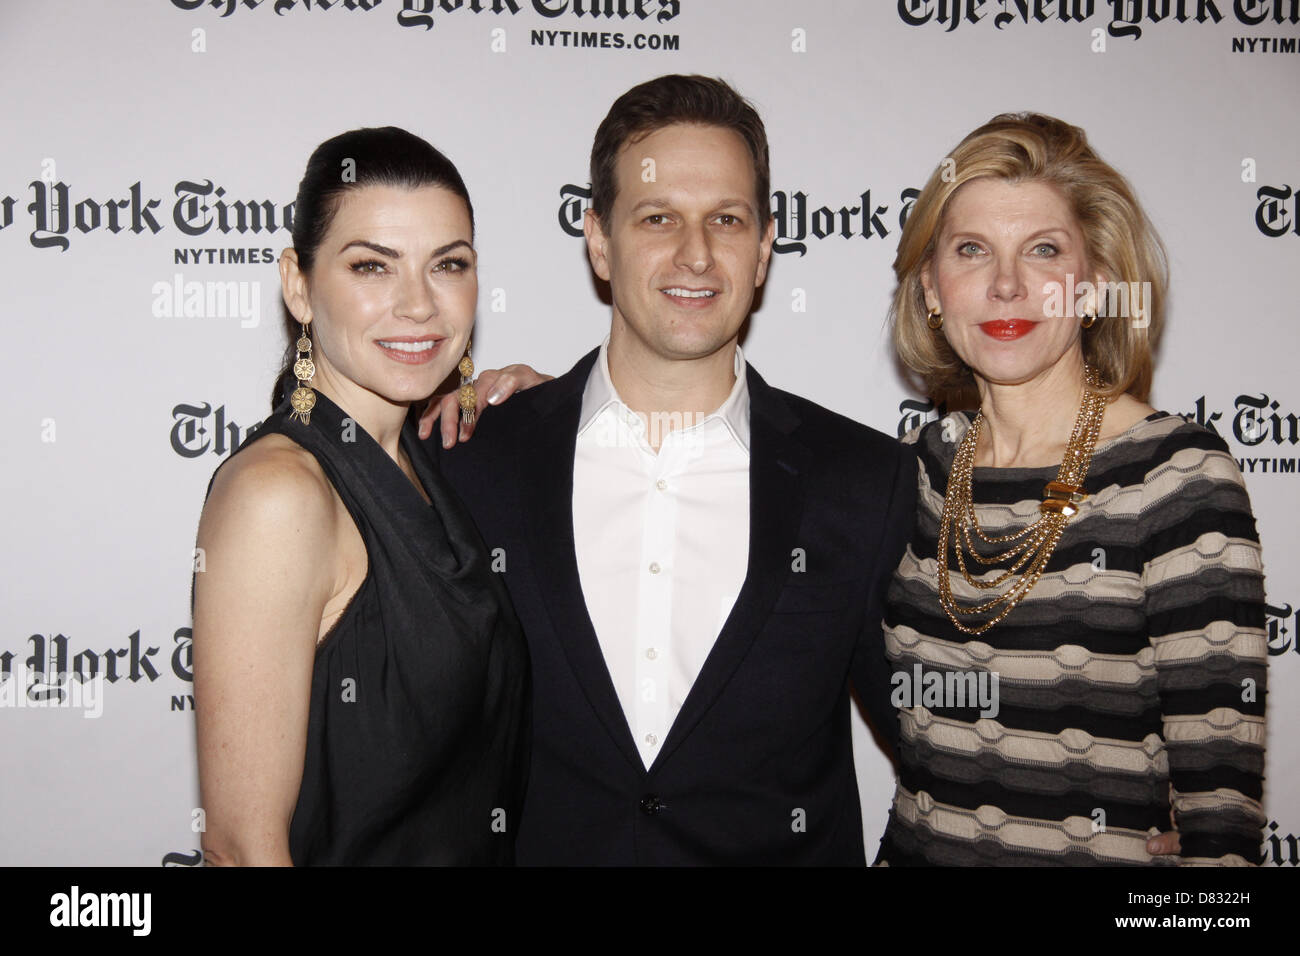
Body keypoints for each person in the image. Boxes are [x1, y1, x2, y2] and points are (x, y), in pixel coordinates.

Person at [417, 74, 916, 865]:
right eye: (658, 218)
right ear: (598, 240)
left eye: (726, 218)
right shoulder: (474, 461)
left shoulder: (864, 479)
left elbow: (942, 761)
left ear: (763, 248)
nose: (696, 253)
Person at [876, 113, 1268, 865]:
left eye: (1044, 251)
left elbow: (1220, 845)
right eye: (971, 251)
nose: (1006, 284)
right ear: (931, 288)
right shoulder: (908, 471)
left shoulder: (1176, 478)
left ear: (1093, 289)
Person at [190, 127, 529, 866]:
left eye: (449, 265)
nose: (418, 305)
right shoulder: (278, 496)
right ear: (298, 285)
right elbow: (243, 850)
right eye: (373, 267)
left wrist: (551, 412)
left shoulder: (428, 464)